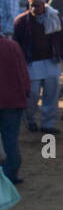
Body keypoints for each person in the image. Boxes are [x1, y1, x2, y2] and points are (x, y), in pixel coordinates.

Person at [13, 0, 63, 134]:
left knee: (51, 94)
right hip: (32, 63)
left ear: (43, 5)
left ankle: (47, 124)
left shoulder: (54, 18)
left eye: (36, 6)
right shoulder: (21, 21)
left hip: (51, 60)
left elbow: (62, 39)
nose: (33, 9)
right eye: (31, 6)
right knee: (32, 94)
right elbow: (16, 43)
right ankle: (29, 119)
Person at [0, 32, 31, 184]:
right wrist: (25, 91)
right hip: (12, 101)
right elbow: (23, 72)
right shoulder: (12, 46)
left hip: (10, 101)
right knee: (10, 139)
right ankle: (10, 174)